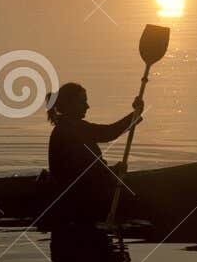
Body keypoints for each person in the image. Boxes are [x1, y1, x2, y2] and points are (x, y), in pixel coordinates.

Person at [44, 82, 141, 223]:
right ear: (70, 105)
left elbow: (85, 168)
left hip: (77, 191)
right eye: (83, 102)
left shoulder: (67, 127)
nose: (87, 106)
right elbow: (109, 133)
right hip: (78, 197)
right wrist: (136, 113)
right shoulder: (73, 128)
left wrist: (112, 171)